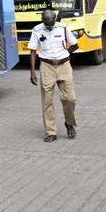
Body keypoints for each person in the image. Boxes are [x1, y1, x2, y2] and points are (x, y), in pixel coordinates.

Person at [28, 9, 79, 142]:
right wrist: (33, 71)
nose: (49, 26)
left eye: (51, 23)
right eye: (47, 24)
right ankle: (51, 132)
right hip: (46, 67)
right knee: (47, 101)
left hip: (64, 66)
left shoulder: (63, 28)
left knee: (70, 98)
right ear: (43, 20)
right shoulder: (37, 30)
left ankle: (69, 123)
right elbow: (33, 50)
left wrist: (66, 53)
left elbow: (75, 45)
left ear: (55, 19)